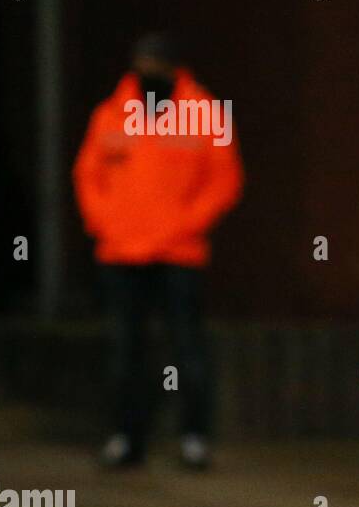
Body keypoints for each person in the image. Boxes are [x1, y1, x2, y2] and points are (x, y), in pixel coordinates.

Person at [73, 33, 243, 470]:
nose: (147, 74)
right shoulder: (111, 112)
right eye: (141, 64)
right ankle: (127, 437)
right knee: (127, 350)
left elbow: (224, 180)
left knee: (187, 347)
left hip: (178, 254)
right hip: (122, 253)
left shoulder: (204, 111)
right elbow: (88, 176)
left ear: (173, 67)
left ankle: (194, 437)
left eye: (155, 65)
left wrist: (182, 226)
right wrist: (106, 225)